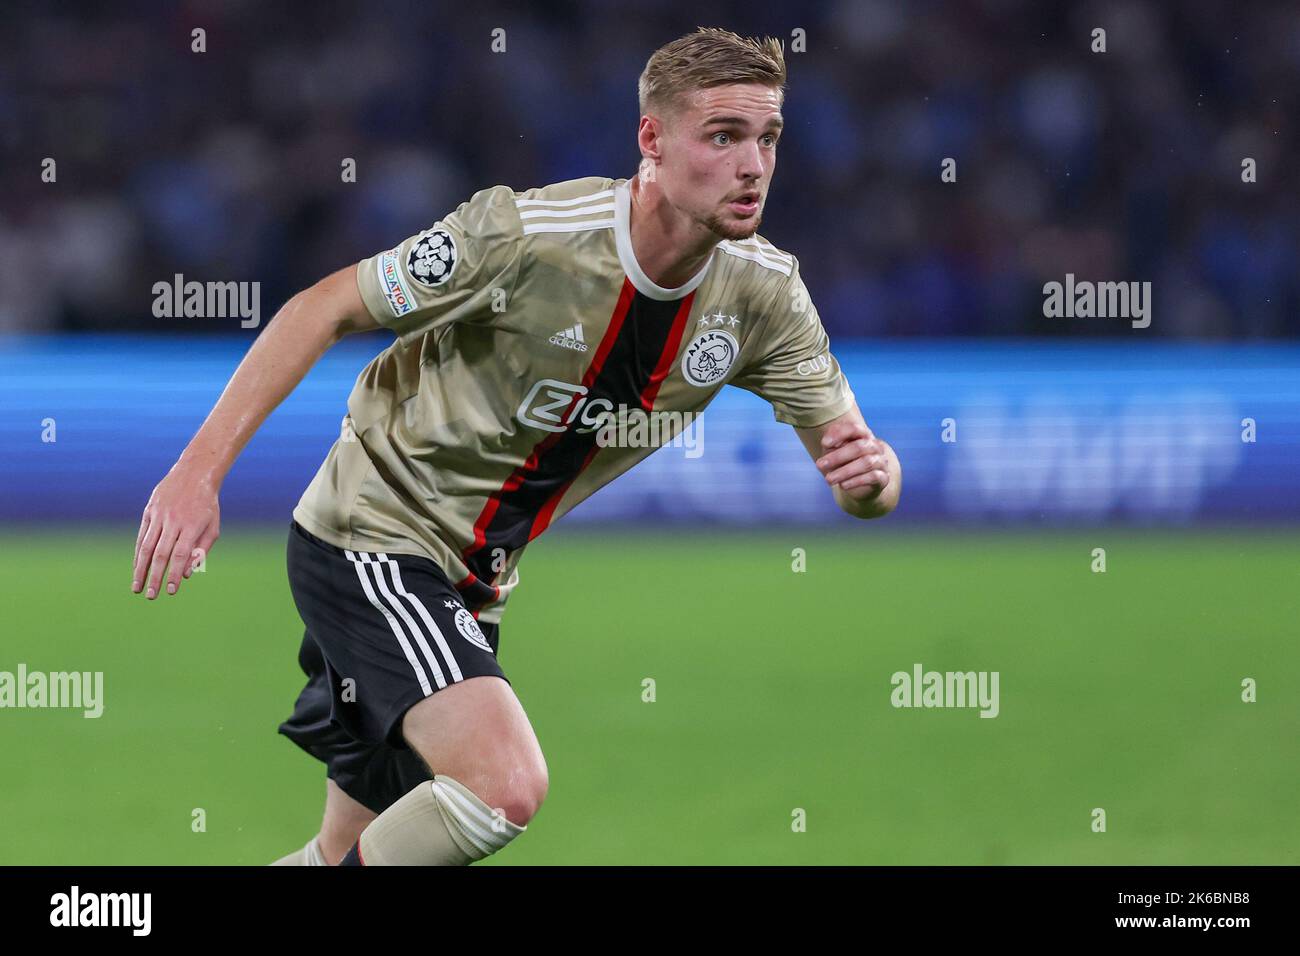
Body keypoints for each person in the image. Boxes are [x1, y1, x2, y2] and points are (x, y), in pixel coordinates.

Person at [130, 26, 901, 866]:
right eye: (723, 137)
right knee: (503, 785)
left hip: (474, 582)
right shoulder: (526, 236)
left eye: (768, 139)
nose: (753, 165)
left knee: (346, 849)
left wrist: (874, 479)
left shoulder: (764, 297)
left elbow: (858, 474)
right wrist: (194, 475)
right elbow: (323, 306)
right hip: (373, 535)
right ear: (652, 139)